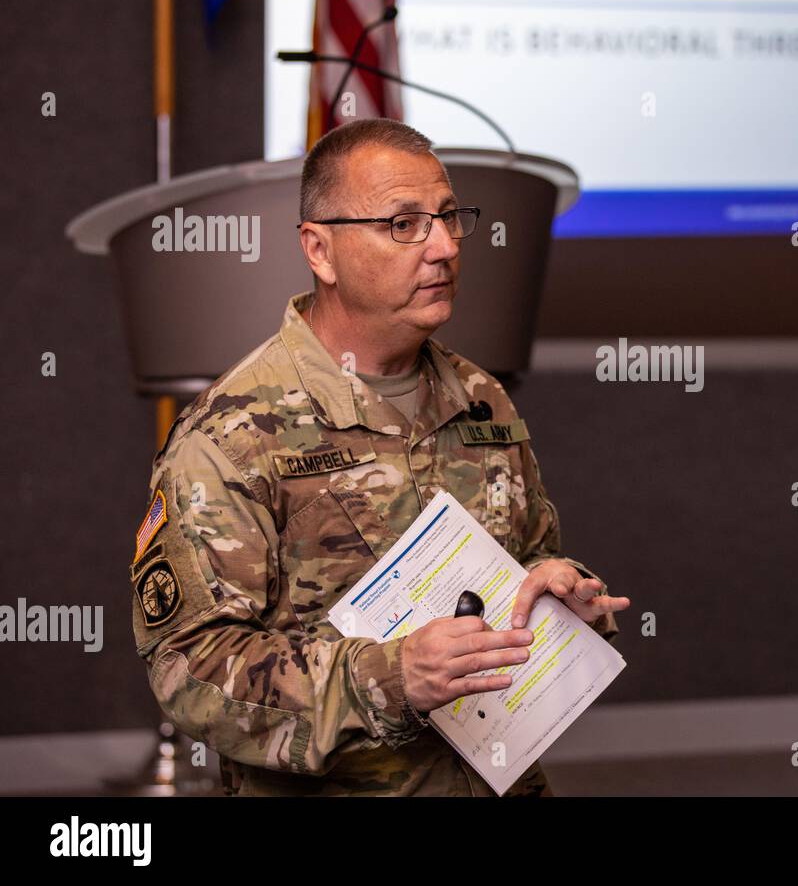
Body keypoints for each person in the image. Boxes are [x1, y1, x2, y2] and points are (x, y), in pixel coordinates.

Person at [128, 118, 631, 796]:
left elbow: (532, 555)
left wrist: (560, 588)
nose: (445, 247)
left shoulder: (482, 398)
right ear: (320, 250)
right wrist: (391, 678)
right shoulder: (232, 434)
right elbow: (190, 670)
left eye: (451, 218)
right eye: (403, 224)